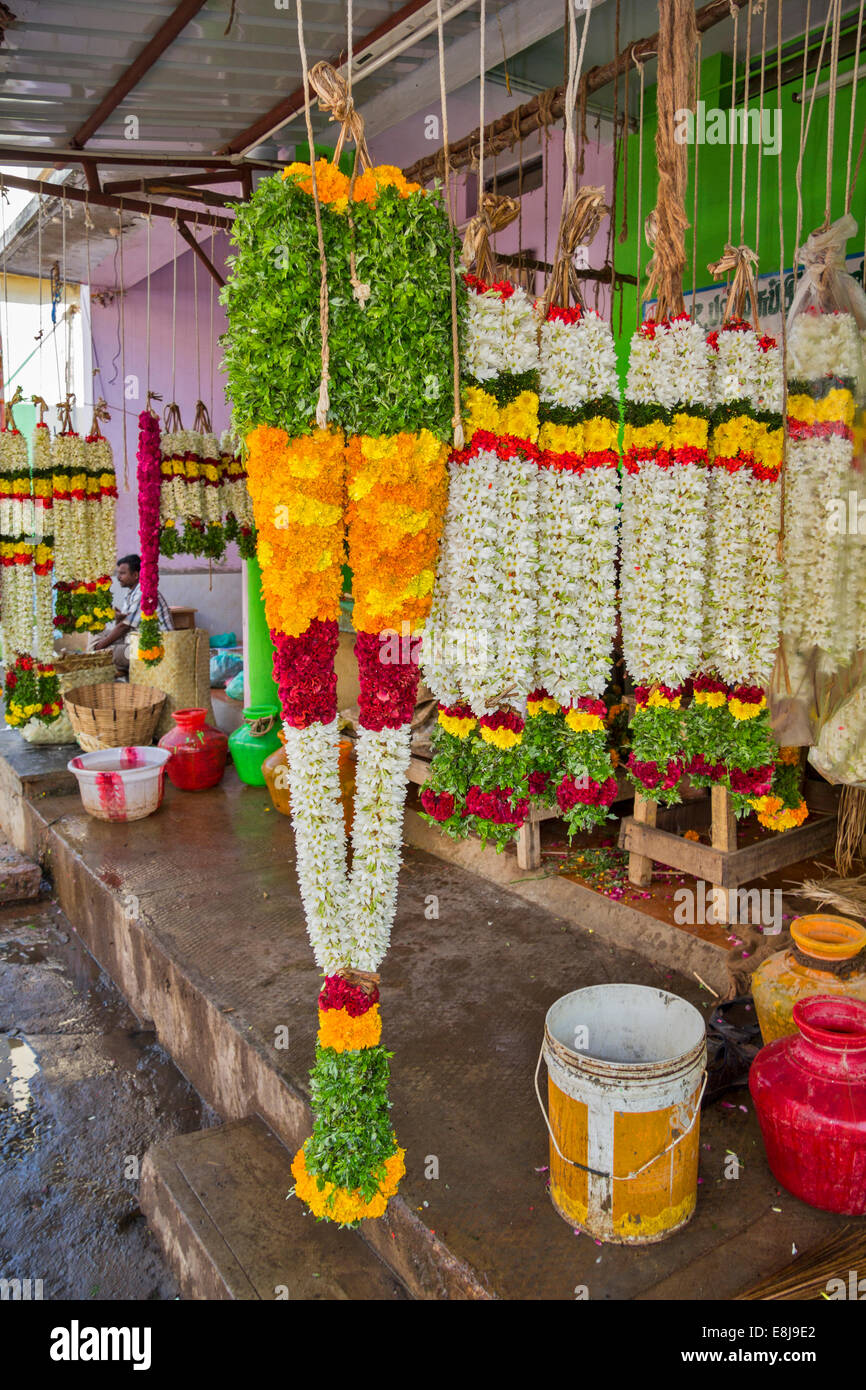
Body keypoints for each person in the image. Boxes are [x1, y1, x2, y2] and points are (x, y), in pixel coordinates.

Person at [90, 554, 174, 674]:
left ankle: (99, 656)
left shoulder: (143, 592)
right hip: (135, 640)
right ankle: (99, 656)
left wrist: (99, 647)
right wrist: (119, 619)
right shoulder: (131, 593)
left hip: (156, 647)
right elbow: (124, 625)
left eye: (122, 573)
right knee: (97, 633)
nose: (118, 577)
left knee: (110, 653)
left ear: (135, 575)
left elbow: (124, 626)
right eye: (118, 573)